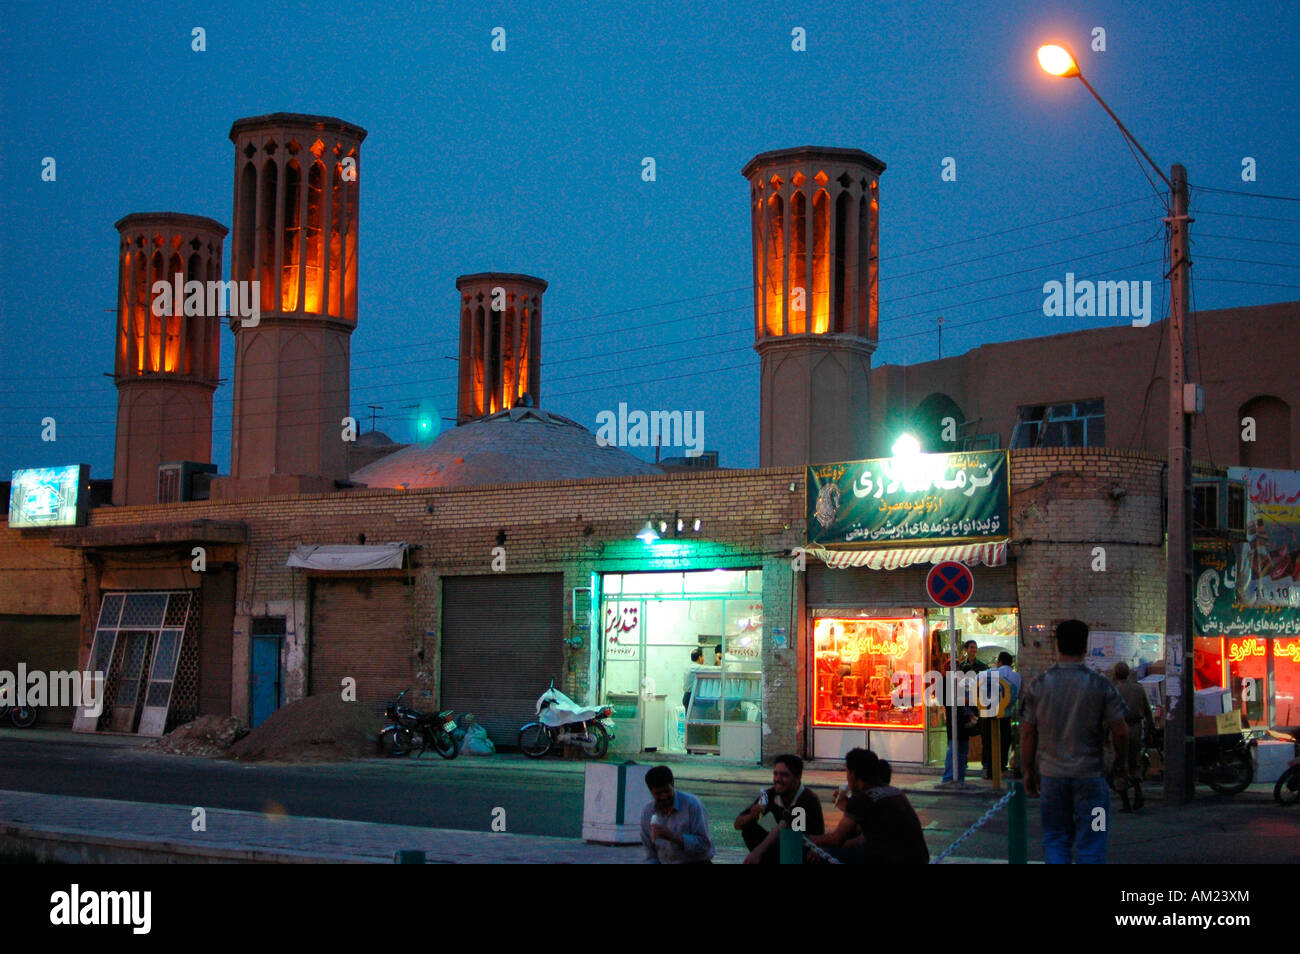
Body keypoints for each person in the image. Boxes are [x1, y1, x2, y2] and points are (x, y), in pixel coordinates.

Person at [1021, 619, 1129, 864]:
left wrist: (1028, 770)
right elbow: (1121, 731)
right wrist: (1121, 764)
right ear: (1085, 646)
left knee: (1056, 838)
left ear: (1056, 645)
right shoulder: (1101, 685)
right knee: (1094, 838)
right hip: (1093, 779)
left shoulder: (1038, 685)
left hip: (1051, 779)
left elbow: (1028, 733)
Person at [808, 748, 928, 864]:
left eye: (847, 771)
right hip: (919, 858)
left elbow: (837, 839)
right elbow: (868, 834)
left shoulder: (862, 797)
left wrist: (804, 839)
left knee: (821, 856)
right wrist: (847, 807)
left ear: (853, 774)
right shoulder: (895, 792)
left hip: (891, 859)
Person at [736, 754, 825, 864]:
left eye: (784, 775)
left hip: (806, 850)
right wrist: (752, 815)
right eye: (775, 774)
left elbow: (783, 827)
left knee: (788, 837)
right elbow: (737, 824)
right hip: (784, 844)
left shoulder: (807, 798)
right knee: (748, 828)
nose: (778, 779)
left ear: (798, 777)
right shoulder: (771, 794)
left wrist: (757, 852)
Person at [640, 765, 715, 864]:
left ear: (673, 784)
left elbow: (704, 845)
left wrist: (673, 837)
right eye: (658, 793)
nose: (664, 797)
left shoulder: (692, 804)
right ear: (651, 791)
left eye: (667, 791)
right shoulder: (647, 812)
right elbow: (650, 853)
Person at [1111, 661, 1153, 812]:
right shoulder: (1138, 689)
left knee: (1120, 765)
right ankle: (1138, 793)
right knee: (1134, 763)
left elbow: (1108, 716)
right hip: (1136, 729)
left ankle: (1125, 802)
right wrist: (1149, 733)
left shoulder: (1114, 691)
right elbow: (1148, 713)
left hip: (1119, 729)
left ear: (1115, 674)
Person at [978, 651, 1020, 778]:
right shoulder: (1016, 677)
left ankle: (989, 769)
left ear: (999, 662)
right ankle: (1002, 767)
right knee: (1004, 740)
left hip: (988, 712)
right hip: (1006, 713)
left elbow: (977, 680)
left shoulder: (990, 673)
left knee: (988, 741)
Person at [939, 654, 979, 784]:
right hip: (954, 720)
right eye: (952, 667)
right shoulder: (945, 682)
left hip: (963, 720)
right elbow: (946, 700)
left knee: (962, 750)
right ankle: (949, 777)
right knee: (954, 749)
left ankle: (959, 776)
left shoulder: (960, 682)